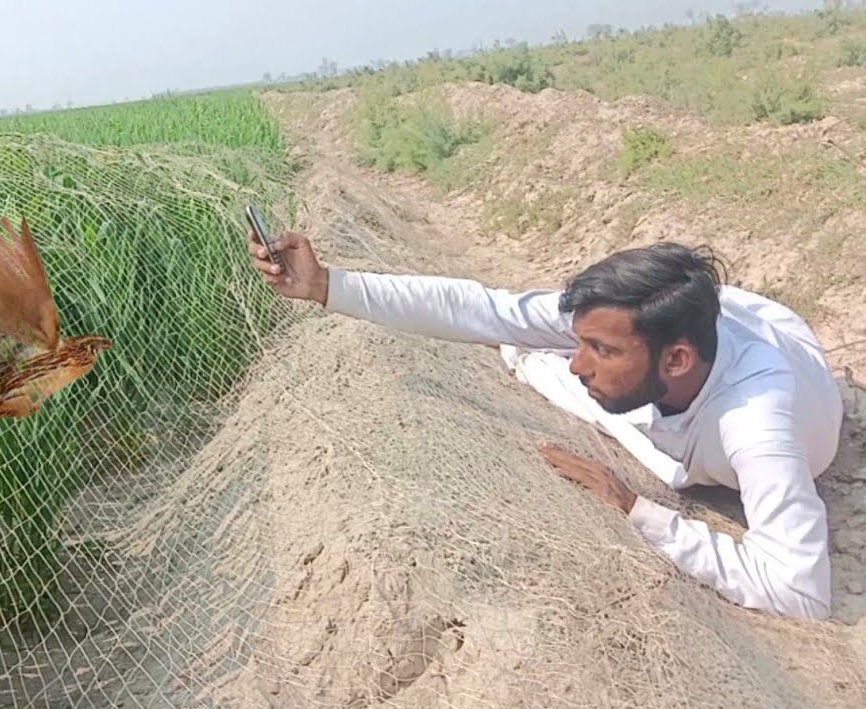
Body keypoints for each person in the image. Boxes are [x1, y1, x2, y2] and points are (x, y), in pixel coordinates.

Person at [246, 227, 844, 621]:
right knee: (539, 354)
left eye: (600, 351)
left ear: (677, 358)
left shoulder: (758, 425)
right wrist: (328, 286)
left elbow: (799, 589)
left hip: (780, 356)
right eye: (579, 342)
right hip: (737, 325)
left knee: (601, 413)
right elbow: (481, 308)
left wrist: (638, 510)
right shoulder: (633, 327)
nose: (580, 361)